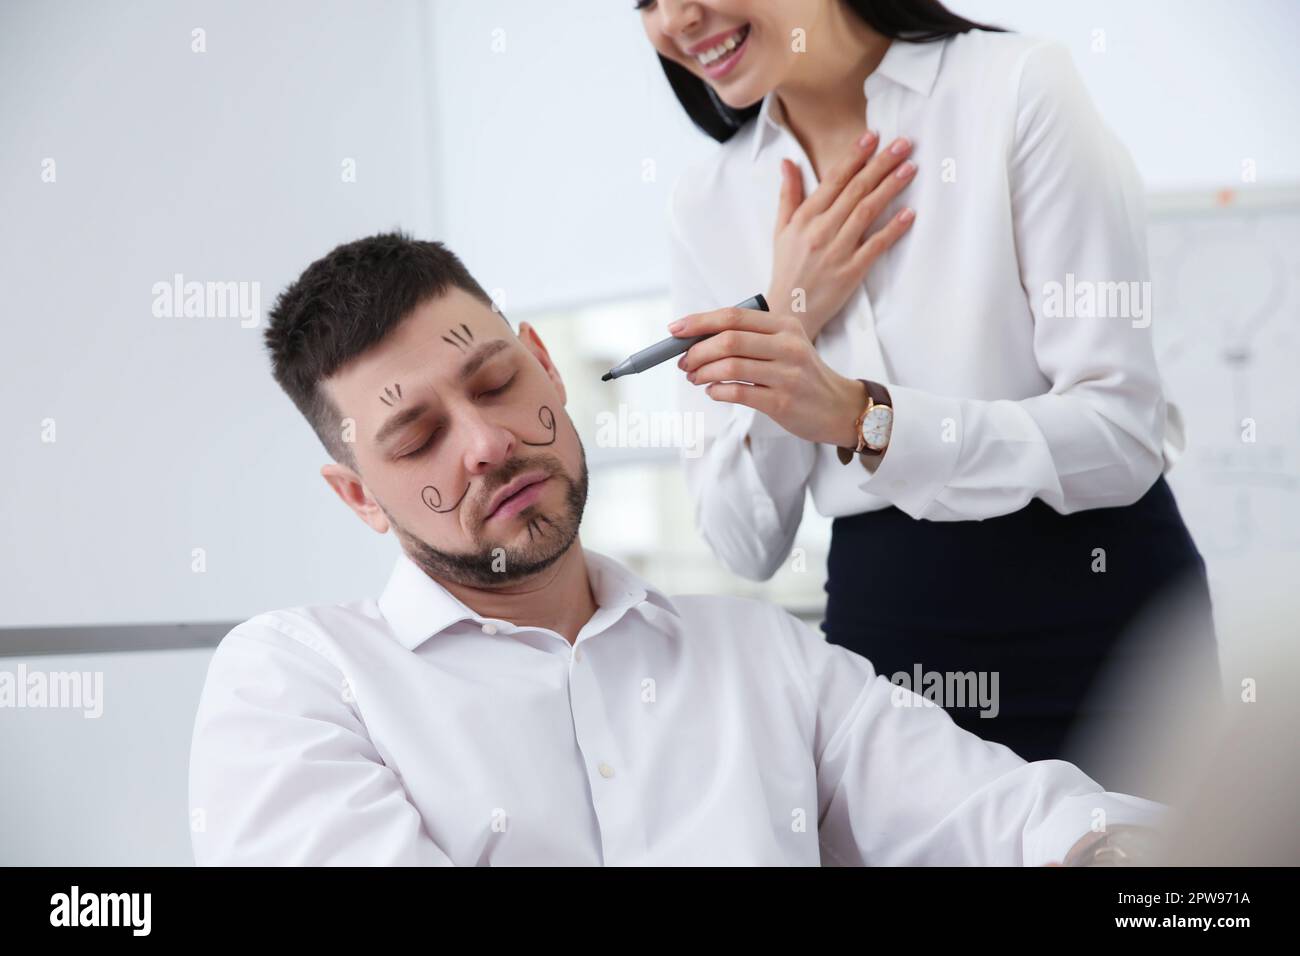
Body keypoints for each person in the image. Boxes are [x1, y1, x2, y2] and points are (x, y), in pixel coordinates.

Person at [188, 232, 1164, 865]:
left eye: (492, 381)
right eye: (417, 438)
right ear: (359, 495)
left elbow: (1002, 816)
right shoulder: (296, 678)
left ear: (542, 362)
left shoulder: (758, 655)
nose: (484, 443)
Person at [641, 0, 1221, 774]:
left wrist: (865, 418)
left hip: (1107, 623)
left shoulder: (1016, 88)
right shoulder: (707, 204)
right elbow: (744, 541)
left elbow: (1119, 434)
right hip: (892, 656)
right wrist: (789, 313)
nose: (677, 15)